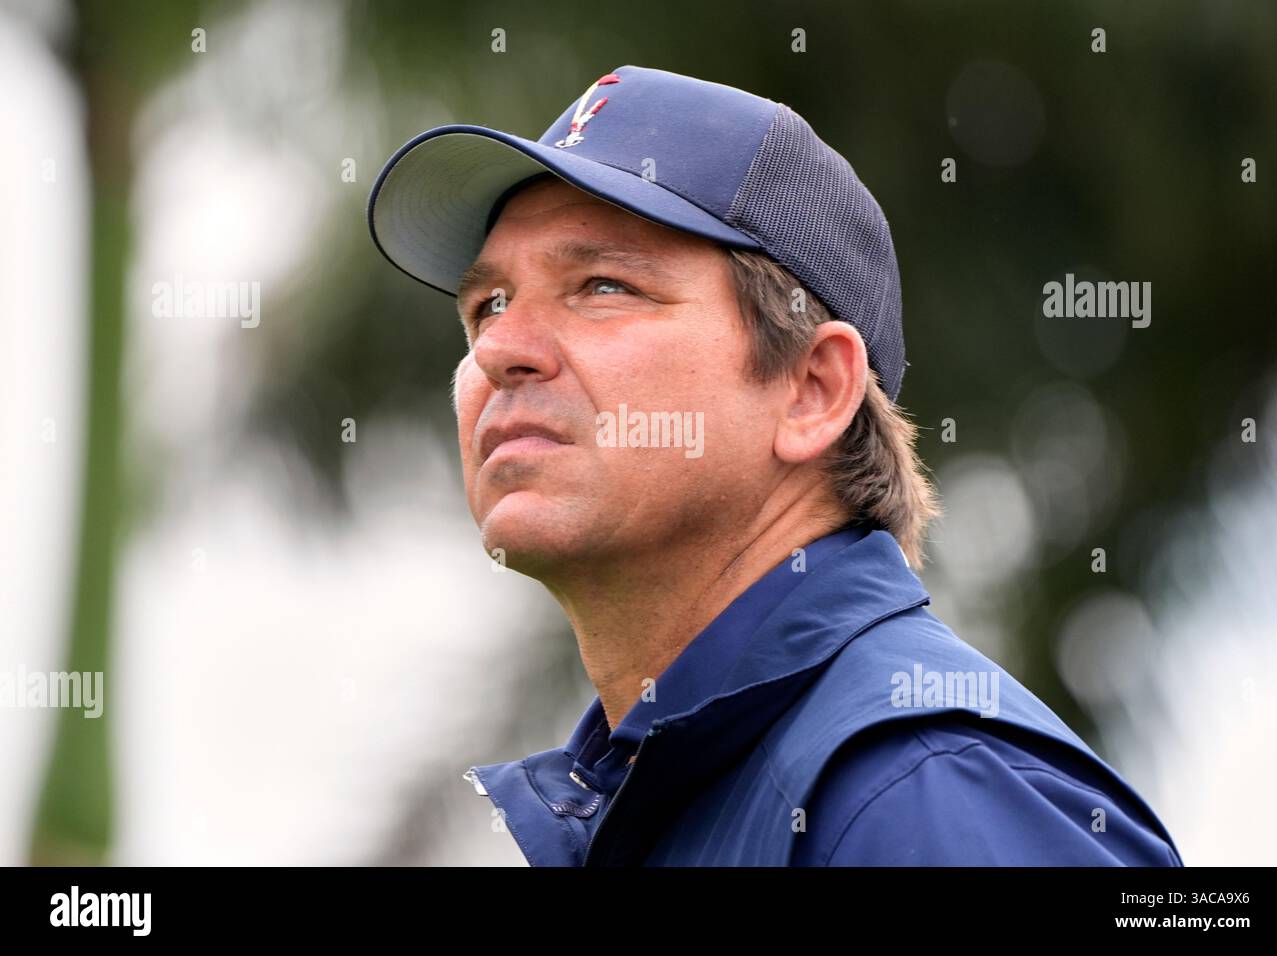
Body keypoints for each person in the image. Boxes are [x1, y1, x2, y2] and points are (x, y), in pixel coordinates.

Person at [367, 65, 1183, 866]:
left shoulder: (931, 792)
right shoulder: (690, 793)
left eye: (603, 285)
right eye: (489, 305)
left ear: (812, 390)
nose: (500, 349)